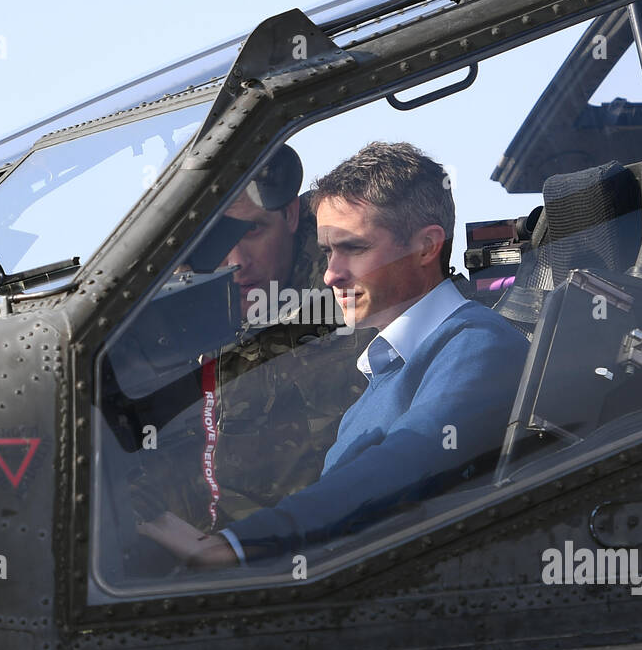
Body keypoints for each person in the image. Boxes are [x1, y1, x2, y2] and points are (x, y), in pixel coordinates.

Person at [140, 141, 530, 567]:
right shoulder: (384, 368)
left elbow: (405, 463)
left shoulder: (476, 345)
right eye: (328, 251)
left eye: (354, 249)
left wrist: (234, 545)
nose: (331, 274)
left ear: (426, 247)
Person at [132, 145, 367, 536]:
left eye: (252, 230)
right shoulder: (166, 316)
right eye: (212, 239)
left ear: (291, 214)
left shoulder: (356, 301)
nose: (236, 260)